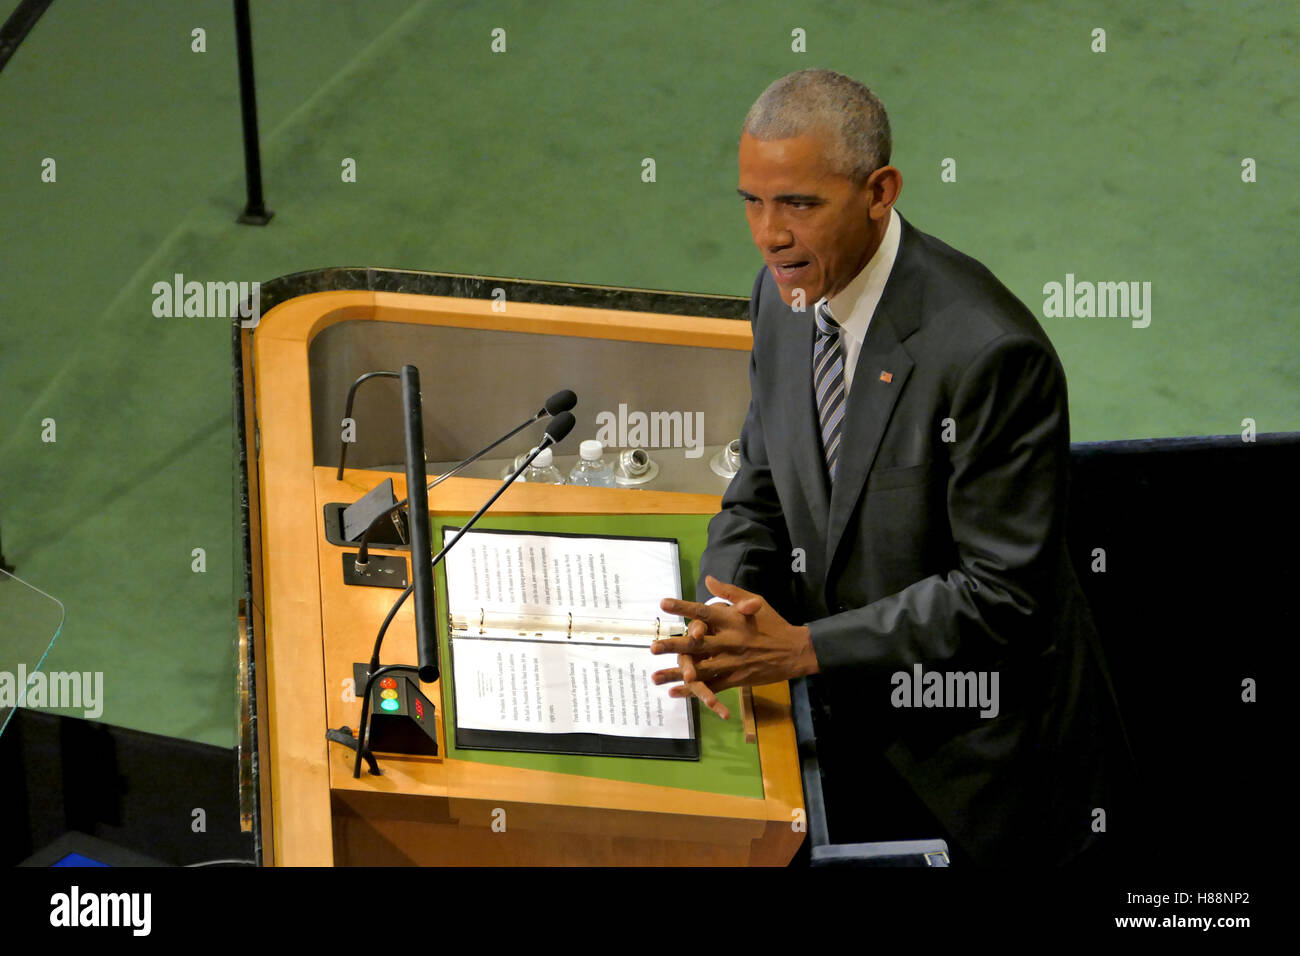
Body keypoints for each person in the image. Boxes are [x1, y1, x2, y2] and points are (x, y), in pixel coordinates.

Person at [650, 69, 1125, 866]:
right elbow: (761, 489)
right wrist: (724, 612)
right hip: (838, 729)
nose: (769, 235)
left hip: (979, 776)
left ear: (879, 191)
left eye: (798, 204)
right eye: (752, 202)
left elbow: (1003, 595)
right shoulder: (782, 298)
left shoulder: (990, 353)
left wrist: (806, 648)